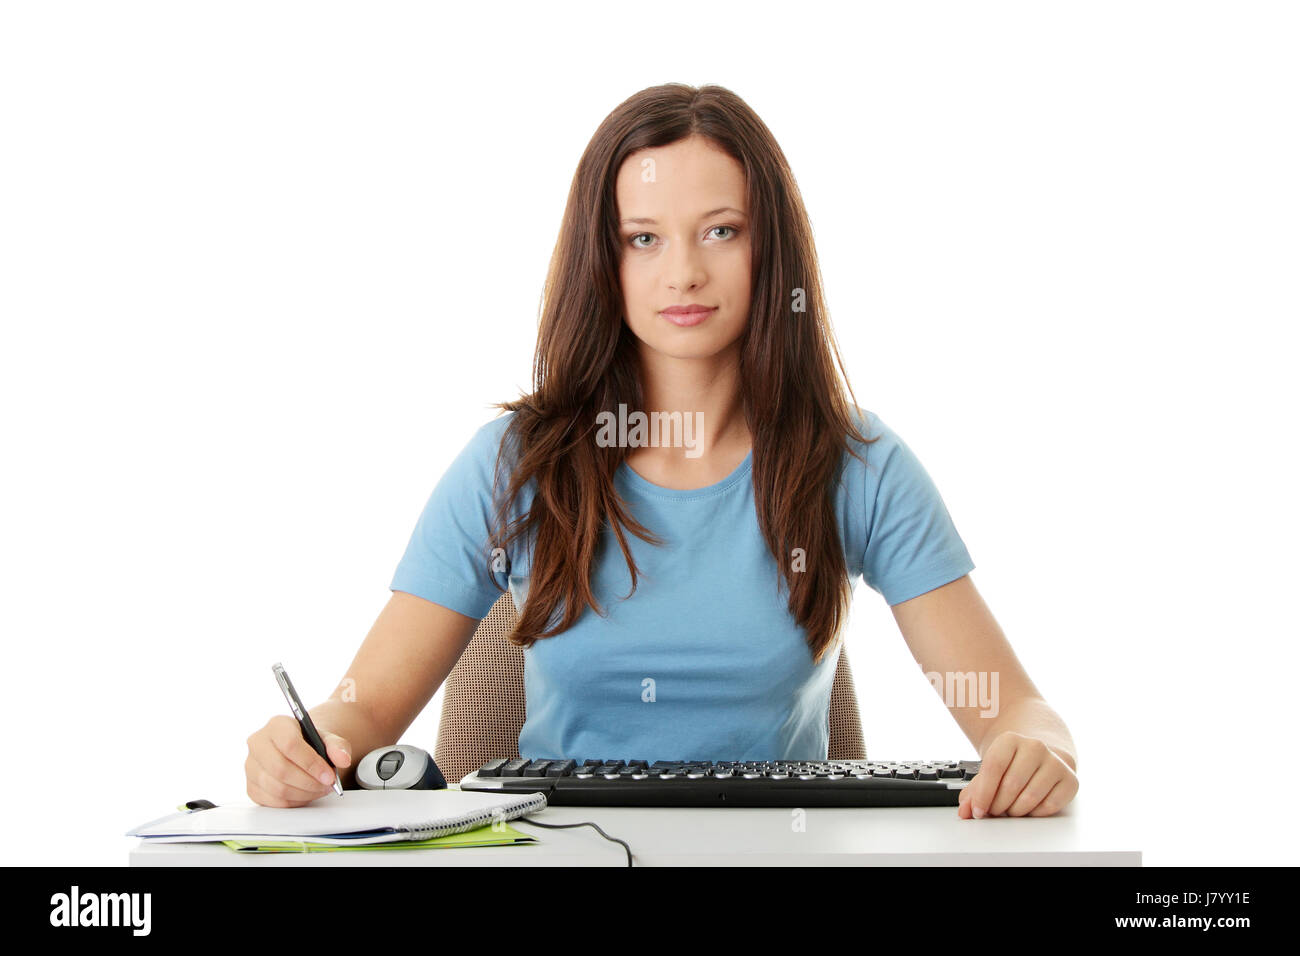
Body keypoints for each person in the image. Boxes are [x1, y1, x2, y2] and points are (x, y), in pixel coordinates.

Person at [245, 83, 1078, 820]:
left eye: (720, 231)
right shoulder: (511, 464)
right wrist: (304, 751)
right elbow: (360, 719)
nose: (682, 272)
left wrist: (1039, 750)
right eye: (643, 238)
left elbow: (1020, 715)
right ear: (602, 261)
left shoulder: (860, 465)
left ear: (770, 249)